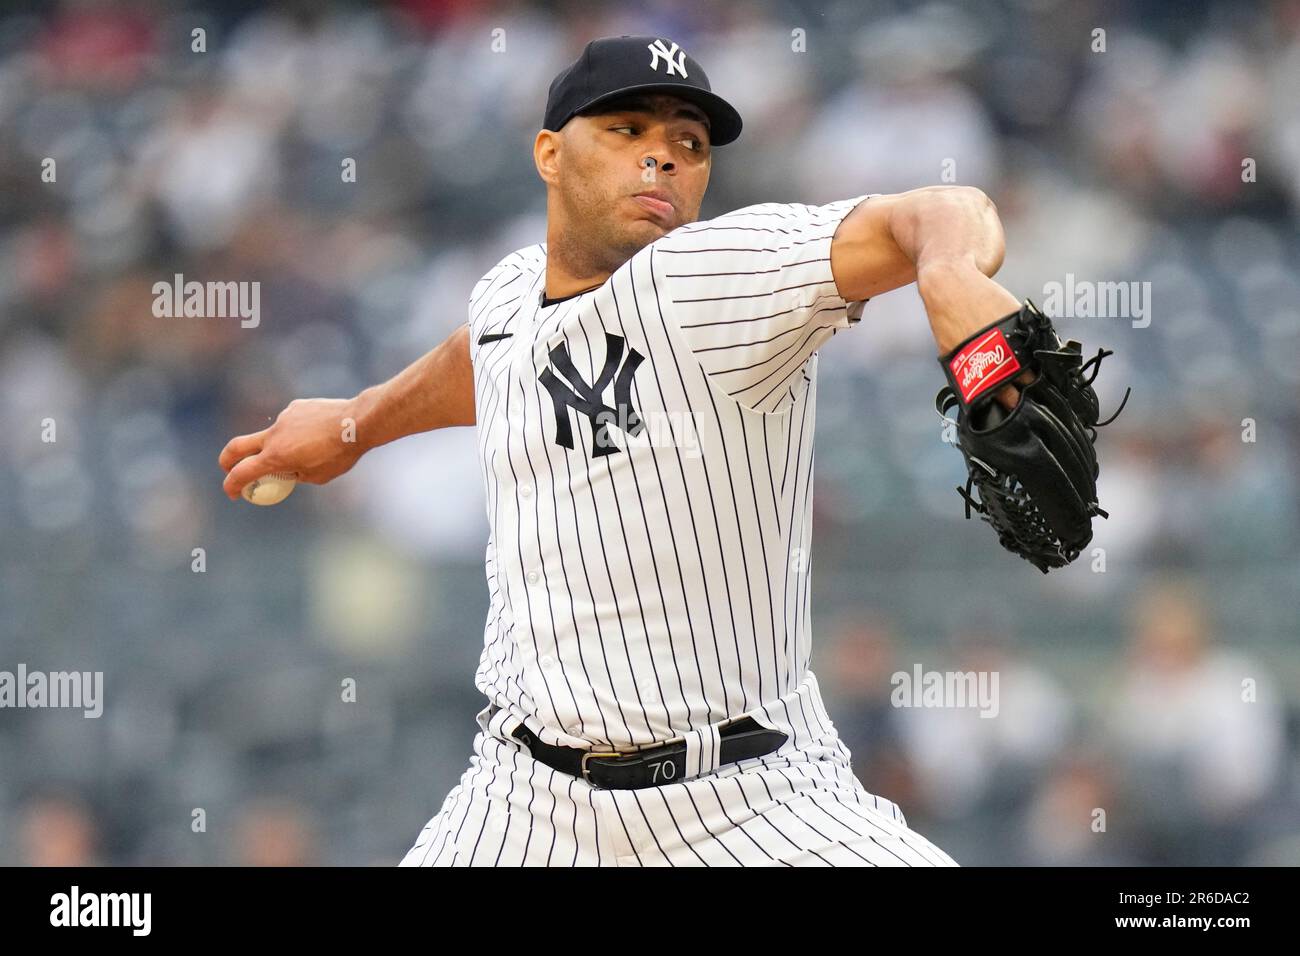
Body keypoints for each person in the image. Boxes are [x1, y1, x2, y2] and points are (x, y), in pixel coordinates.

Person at [220, 35, 1028, 866]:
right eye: (627, 130)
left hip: (751, 798)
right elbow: (484, 362)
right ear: (549, 153)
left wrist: (948, 271)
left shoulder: (721, 277)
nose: (663, 156)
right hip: (522, 799)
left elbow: (939, 211)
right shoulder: (507, 293)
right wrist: (356, 423)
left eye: (689, 142)